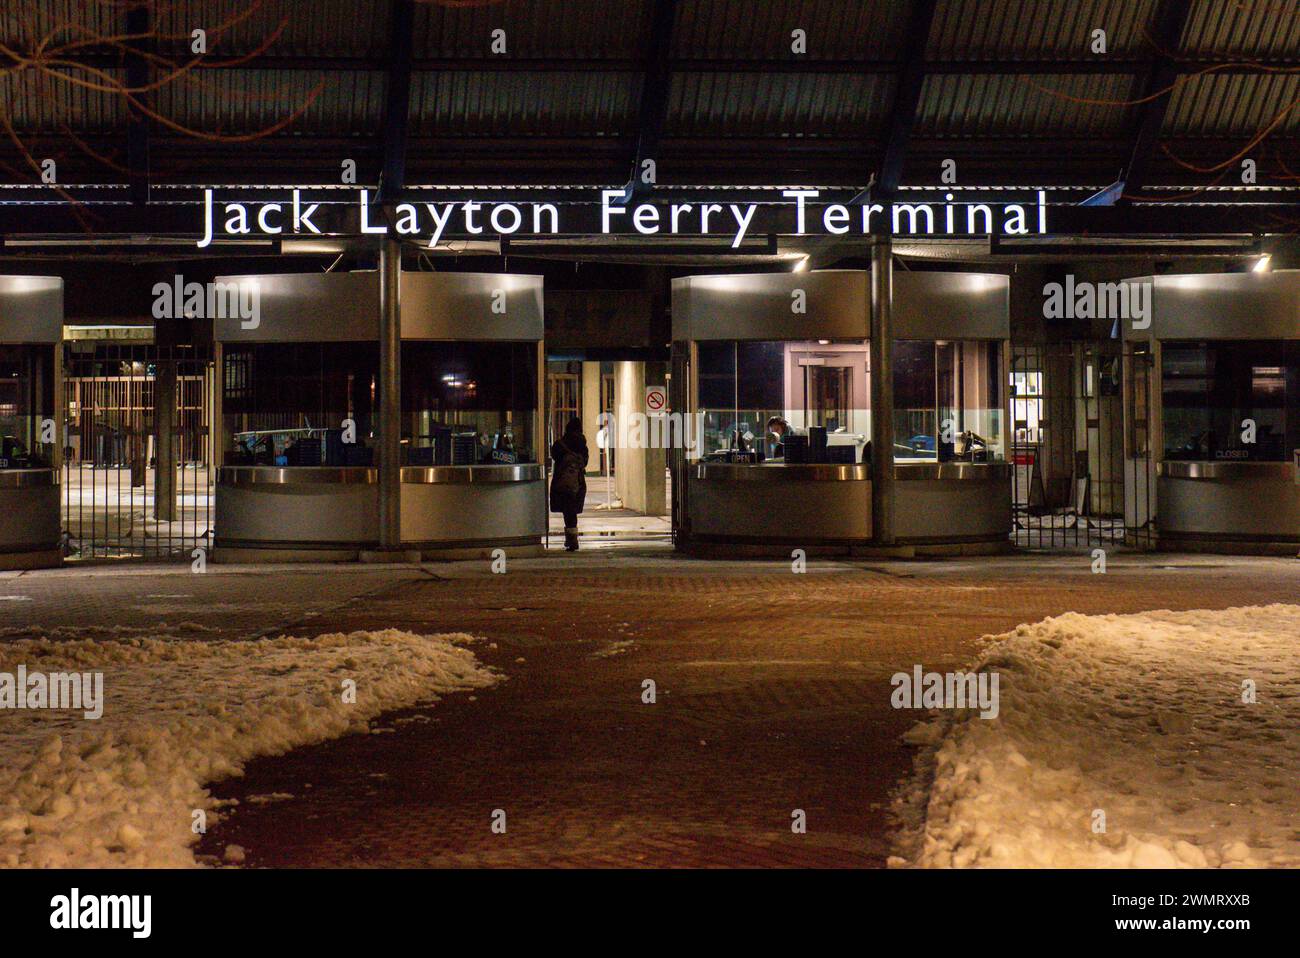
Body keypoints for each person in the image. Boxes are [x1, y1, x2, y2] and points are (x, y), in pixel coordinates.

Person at [550, 416, 589, 551]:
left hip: (562, 481)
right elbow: (585, 462)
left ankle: (571, 540)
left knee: (568, 512)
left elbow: (554, 455)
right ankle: (572, 539)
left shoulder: (560, 444)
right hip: (577, 482)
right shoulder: (582, 445)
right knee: (572, 512)